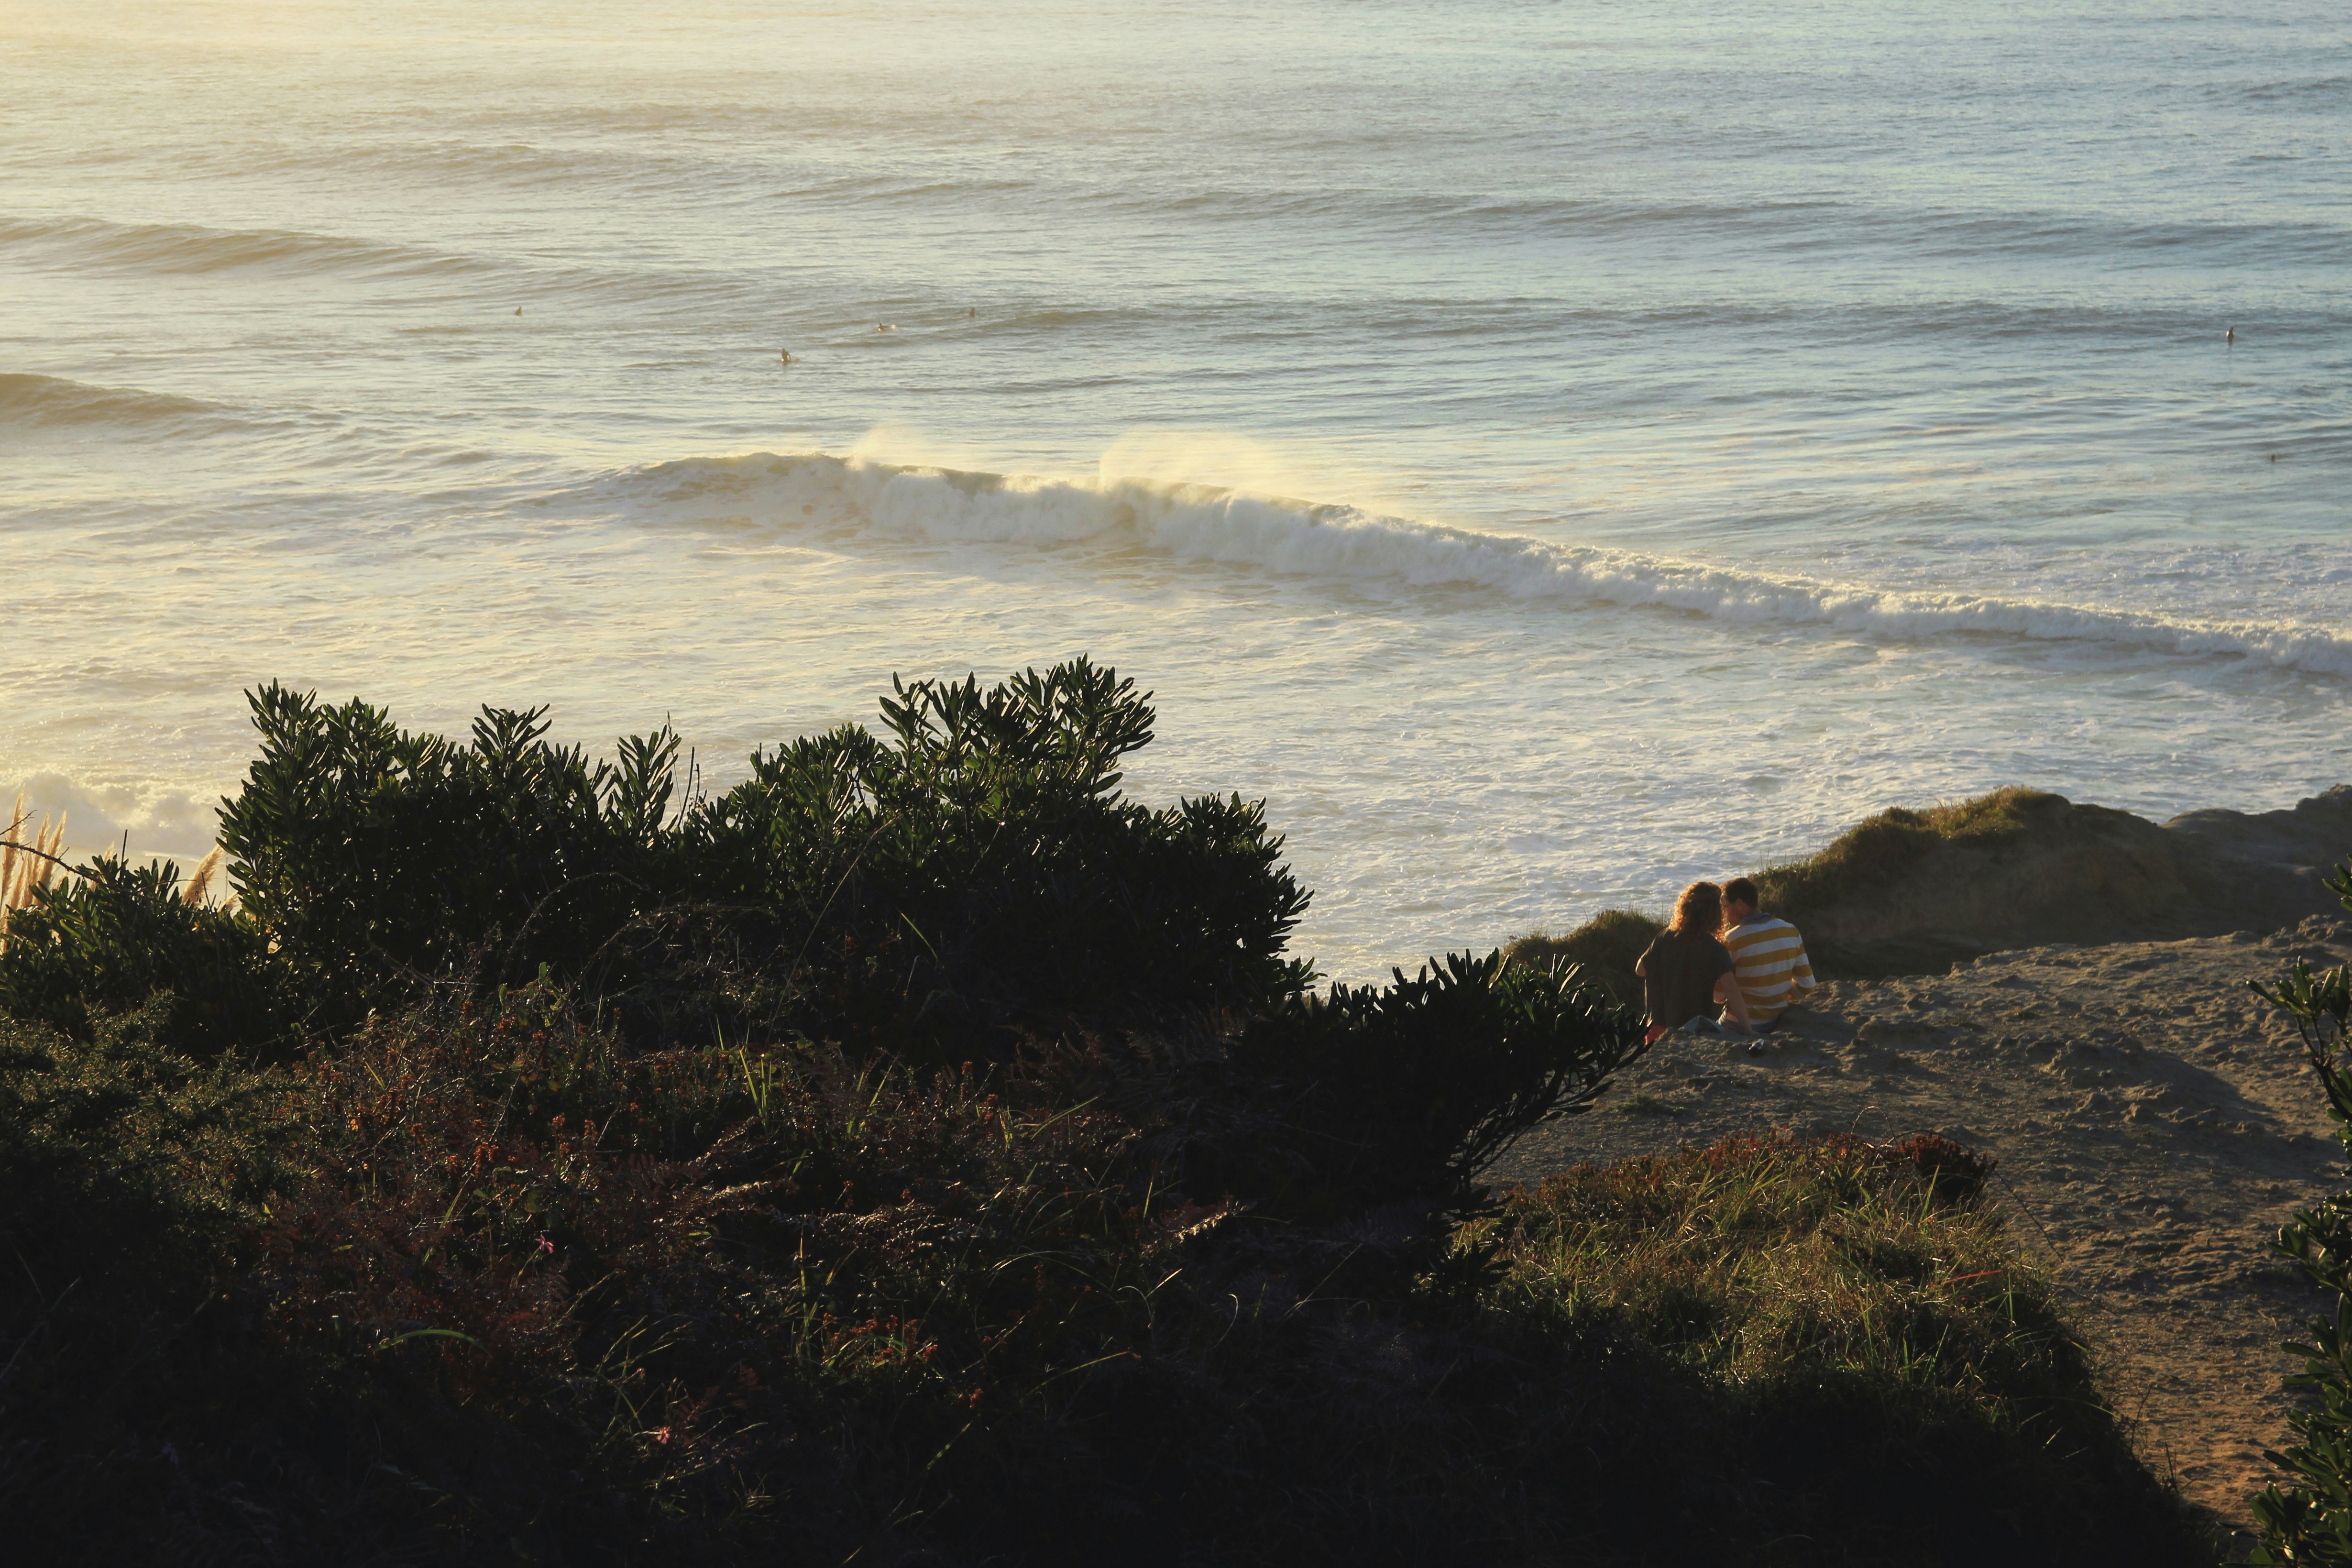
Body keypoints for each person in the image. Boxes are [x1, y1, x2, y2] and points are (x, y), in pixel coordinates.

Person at [1634, 881, 1753, 1045]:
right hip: (1694, 1031)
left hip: (1657, 1029)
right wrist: (1749, 1031)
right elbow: (1733, 993)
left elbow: (1640, 970)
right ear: (1716, 915)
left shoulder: (1665, 937)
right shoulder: (1716, 950)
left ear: (1684, 909)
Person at [1719, 876, 1816, 1033]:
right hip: (1777, 1021)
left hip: (1741, 1025)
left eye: (1725, 906)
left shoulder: (1731, 939)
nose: (1724, 914)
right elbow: (1808, 986)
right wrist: (1779, 988)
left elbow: (1719, 996)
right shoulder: (1790, 930)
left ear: (1739, 904)